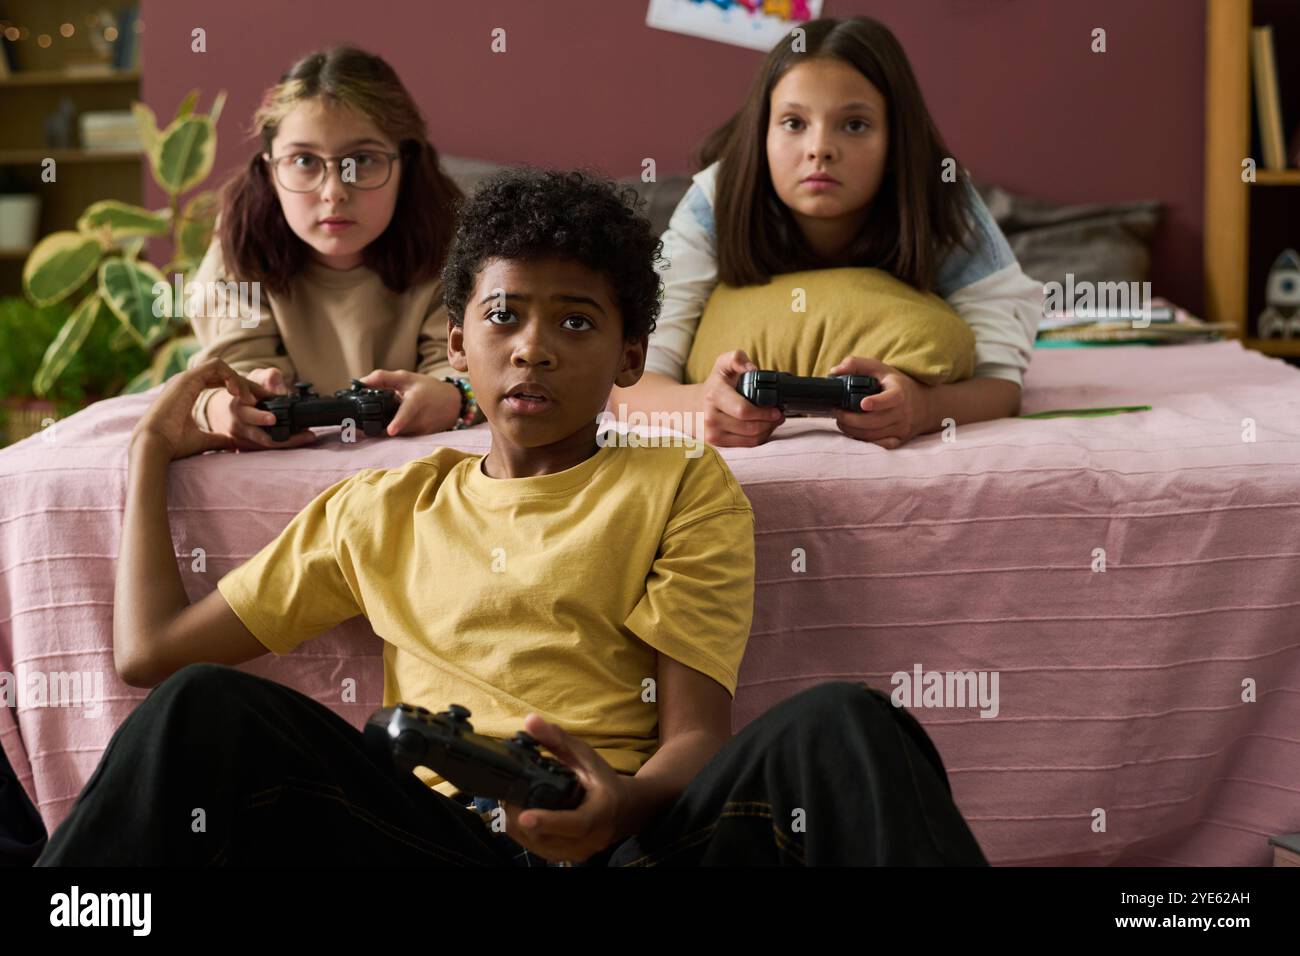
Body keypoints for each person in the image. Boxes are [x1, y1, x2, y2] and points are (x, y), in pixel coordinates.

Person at [37, 169, 987, 867]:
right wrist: (148, 453)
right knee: (199, 710)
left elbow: (696, 733)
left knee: (848, 725)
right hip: (430, 842)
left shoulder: (681, 484)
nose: (533, 349)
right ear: (458, 343)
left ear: (627, 356)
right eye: (504, 318)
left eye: (575, 322)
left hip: (629, 838)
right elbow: (152, 652)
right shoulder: (383, 506)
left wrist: (618, 805)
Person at [611, 16, 1041, 450]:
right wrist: (699, 408)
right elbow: (632, 387)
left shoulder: (941, 197)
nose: (820, 148)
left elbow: (1002, 384)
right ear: (761, 134)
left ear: (895, 141)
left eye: (854, 125)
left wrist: (926, 408)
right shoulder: (716, 199)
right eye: (794, 123)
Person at [185, 46, 480, 450]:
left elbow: (468, 368)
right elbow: (230, 370)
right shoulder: (237, 248)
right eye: (304, 160)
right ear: (270, 170)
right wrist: (227, 404)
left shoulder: (454, 244)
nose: (334, 192)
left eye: (362, 159)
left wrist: (449, 396)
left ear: (405, 164)